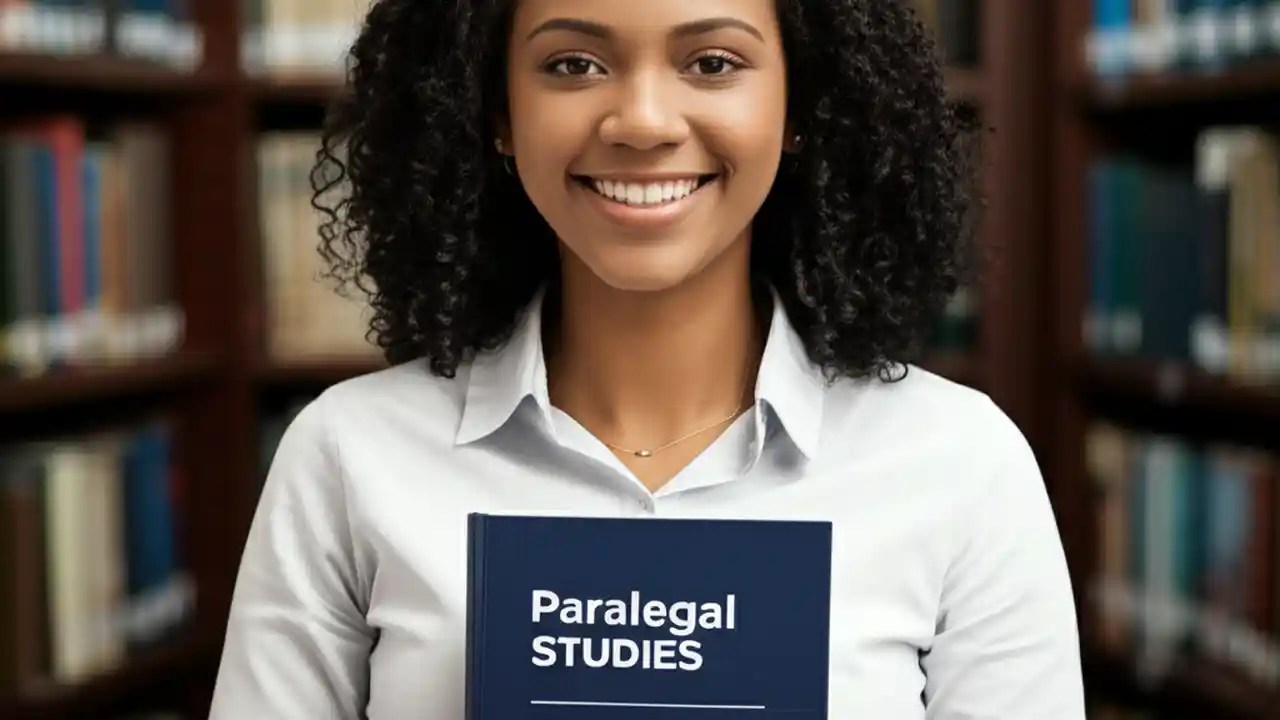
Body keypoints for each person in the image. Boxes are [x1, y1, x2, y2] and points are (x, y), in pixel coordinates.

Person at [209, 0, 1085, 717]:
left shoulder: (964, 466)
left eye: (712, 63)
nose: (642, 122)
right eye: (573, 65)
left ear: (802, 113)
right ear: (498, 116)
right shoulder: (347, 456)